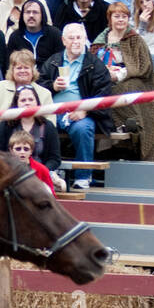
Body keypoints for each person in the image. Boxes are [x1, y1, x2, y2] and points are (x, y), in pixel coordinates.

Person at [38, 23, 113, 189]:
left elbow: (105, 93)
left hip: (82, 112)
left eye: (79, 37)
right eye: (71, 38)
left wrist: (85, 109)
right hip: (53, 111)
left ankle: (83, 177)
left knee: (82, 129)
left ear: (85, 39)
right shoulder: (53, 61)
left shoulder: (95, 64)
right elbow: (38, 84)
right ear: (64, 40)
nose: (76, 42)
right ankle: (45, 173)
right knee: (40, 127)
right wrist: (53, 86)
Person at [94, 0, 154, 161]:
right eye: (117, 16)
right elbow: (92, 64)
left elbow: (143, 65)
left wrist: (119, 74)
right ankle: (108, 139)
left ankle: (131, 129)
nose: (120, 20)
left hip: (133, 78)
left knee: (125, 89)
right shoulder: (99, 41)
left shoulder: (134, 39)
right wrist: (105, 72)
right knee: (100, 92)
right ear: (110, 18)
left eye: (124, 16)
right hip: (104, 79)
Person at [0, 49, 54, 141]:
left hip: (35, 142)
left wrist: (27, 140)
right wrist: (7, 137)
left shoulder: (45, 93)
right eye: (19, 68)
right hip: (0, 142)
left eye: (26, 67)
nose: (22, 71)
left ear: (33, 70)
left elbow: (50, 123)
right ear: (12, 70)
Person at [0, 86, 63, 180]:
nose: (27, 103)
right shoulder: (6, 125)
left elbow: (55, 159)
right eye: (23, 100)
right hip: (11, 175)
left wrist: (41, 171)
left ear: (37, 102)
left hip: (40, 175)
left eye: (31, 99)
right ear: (16, 103)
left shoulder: (48, 126)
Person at [5, 0, 63, 64]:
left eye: (35, 12)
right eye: (28, 12)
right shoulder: (15, 36)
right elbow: (10, 65)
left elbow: (60, 61)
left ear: (42, 15)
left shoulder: (55, 34)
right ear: (22, 15)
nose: (31, 15)